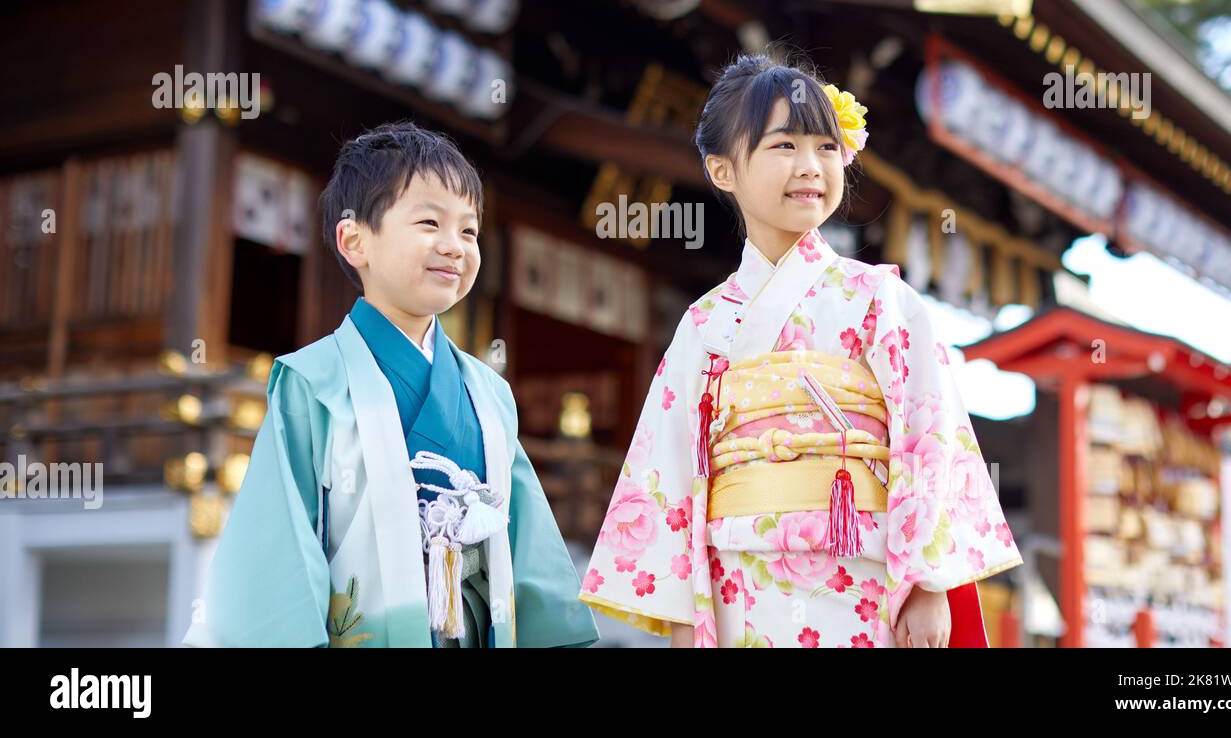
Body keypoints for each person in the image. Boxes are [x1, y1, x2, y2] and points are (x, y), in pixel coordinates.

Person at [579, 54, 1022, 648]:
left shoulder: (879, 299)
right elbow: (671, 470)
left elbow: (930, 432)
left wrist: (928, 584)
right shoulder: (705, 324)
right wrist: (685, 617)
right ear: (722, 169)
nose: (810, 167)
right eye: (783, 146)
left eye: (826, 147)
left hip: (863, 572)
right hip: (737, 578)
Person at [184, 122, 597, 648]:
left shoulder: (490, 394)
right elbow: (278, 550)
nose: (454, 246)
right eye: (430, 222)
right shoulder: (313, 382)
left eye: (469, 231)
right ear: (355, 241)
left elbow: (530, 550)